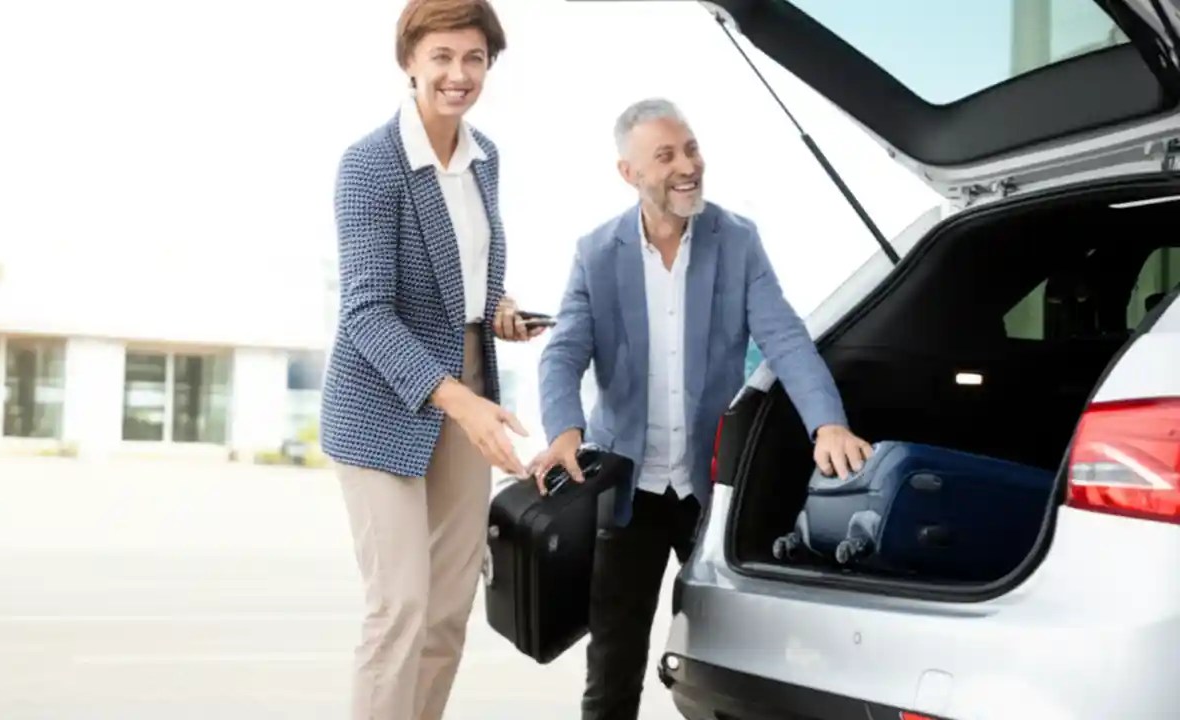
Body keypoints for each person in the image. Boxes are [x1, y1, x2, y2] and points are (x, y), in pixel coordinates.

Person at [529, 98, 874, 719]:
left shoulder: (736, 240)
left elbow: (786, 337)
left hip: (711, 490)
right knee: (613, 667)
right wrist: (563, 433)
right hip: (627, 489)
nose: (688, 166)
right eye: (666, 155)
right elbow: (563, 355)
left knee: (735, 663)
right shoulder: (596, 253)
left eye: (690, 149)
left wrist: (828, 421)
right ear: (629, 173)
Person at [319, 1, 544, 718]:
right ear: (409, 60)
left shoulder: (486, 158)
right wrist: (461, 399)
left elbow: (465, 275)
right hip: (383, 403)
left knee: (448, 610)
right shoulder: (371, 164)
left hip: (467, 382)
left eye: (473, 58)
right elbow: (365, 312)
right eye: (442, 57)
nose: (458, 74)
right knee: (401, 609)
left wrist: (498, 309)